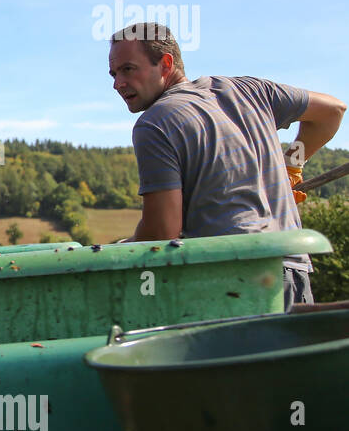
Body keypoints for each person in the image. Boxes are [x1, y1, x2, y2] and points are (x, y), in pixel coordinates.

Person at [108, 22, 345, 310]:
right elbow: (332, 111)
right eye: (114, 73)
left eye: (128, 69)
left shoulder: (155, 124)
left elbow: (160, 235)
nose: (117, 83)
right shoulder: (250, 90)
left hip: (230, 283)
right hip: (292, 269)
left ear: (166, 63)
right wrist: (293, 163)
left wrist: (116, 250)